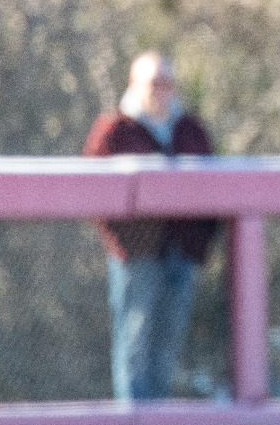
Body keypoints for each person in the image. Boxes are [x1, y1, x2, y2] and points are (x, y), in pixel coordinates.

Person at [82, 52, 220, 402]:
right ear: (135, 84)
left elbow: (216, 184)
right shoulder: (115, 130)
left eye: (167, 83)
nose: (161, 90)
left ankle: (160, 415)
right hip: (136, 253)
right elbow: (91, 189)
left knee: (169, 335)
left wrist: (201, 239)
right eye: (153, 83)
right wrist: (122, 239)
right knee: (135, 333)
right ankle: (133, 416)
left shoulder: (190, 130)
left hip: (182, 250)